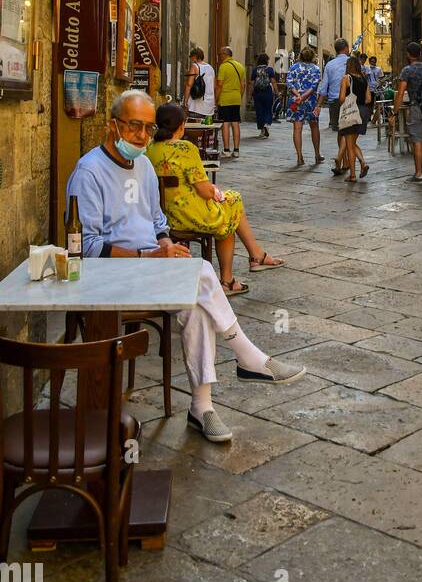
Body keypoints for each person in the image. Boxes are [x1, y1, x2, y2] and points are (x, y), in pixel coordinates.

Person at [67, 90, 306, 445]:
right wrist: (148, 258)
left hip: (149, 267)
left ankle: (202, 406)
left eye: (148, 129)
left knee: (197, 301)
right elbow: (85, 247)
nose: (142, 136)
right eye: (134, 126)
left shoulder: (145, 165)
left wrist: (164, 243)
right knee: (203, 274)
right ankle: (246, 356)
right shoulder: (89, 172)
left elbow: (157, 220)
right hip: (112, 276)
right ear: (112, 125)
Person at [147, 103, 284, 296]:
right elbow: (204, 190)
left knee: (228, 208)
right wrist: (214, 191)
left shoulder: (150, 149)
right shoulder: (185, 149)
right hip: (189, 214)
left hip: (164, 215)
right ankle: (238, 271)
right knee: (232, 205)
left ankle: (254, 258)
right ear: (181, 125)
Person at [394, 41, 422, 183]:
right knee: (421, 138)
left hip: (416, 108)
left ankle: (418, 174)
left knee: (416, 140)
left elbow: (400, 93)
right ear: (420, 54)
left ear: (408, 55)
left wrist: (395, 112)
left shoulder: (407, 70)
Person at [286, 45, 324, 167]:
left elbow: (290, 83)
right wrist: (303, 97)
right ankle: (317, 154)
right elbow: (313, 87)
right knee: (314, 127)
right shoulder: (316, 69)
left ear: (300, 56)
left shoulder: (293, 67)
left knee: (297, 128)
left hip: (295, 101)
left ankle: (299, 156)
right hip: (311, 102)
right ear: (312, 56)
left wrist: (298, 96)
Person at [316, 38, 350, 174]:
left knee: (341, 131)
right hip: (349, 99)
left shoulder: (329, 65)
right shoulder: (352, 62)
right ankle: (340, 157)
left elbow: (323, 88)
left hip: (335, 101)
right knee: (349, 132)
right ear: (346, 48)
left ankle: (345, 161)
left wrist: (319, 104)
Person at [337, 54, 371, 182]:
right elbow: (369, 99)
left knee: (350, 145)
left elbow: (341, 98)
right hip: (363, 111)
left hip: (351, 112)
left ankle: (352, 175)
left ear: (348, 66)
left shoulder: (346, 78)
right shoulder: (364, 78)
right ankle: (363, 163)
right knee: (352, 142)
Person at [214, 46, 245, 158]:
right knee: (235, 123)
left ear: (225, 54)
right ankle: (236, 150)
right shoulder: (240, 66)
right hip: (236, 98)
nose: (219, 56)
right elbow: (243, 85)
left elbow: (219, 85)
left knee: (226, 124)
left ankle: (227, 150)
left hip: (225, 98)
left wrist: (216, 99)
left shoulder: (223, 67)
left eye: (220, 54)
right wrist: (239, 96)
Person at [183, 45, 216, 123]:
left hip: (196, 105)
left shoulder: (195, 66)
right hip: (209, 105)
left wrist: (185, 101)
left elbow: (189, 85)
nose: (191, 59)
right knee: (206, 131)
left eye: (191, 57)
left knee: (194, 130)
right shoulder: (210, 68)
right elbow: (214, 86)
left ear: (194, 56)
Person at [249, 53, 278, 137]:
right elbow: (273, 82)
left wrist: (249, 95)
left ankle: (262, 130)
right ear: (266, 61)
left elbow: (252, 84)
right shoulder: (270, 70)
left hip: (257, 93)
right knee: (268, 109)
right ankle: (266, 124)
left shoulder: (255, 70)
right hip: (267, 92)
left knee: (259, 111)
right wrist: (276, 92)